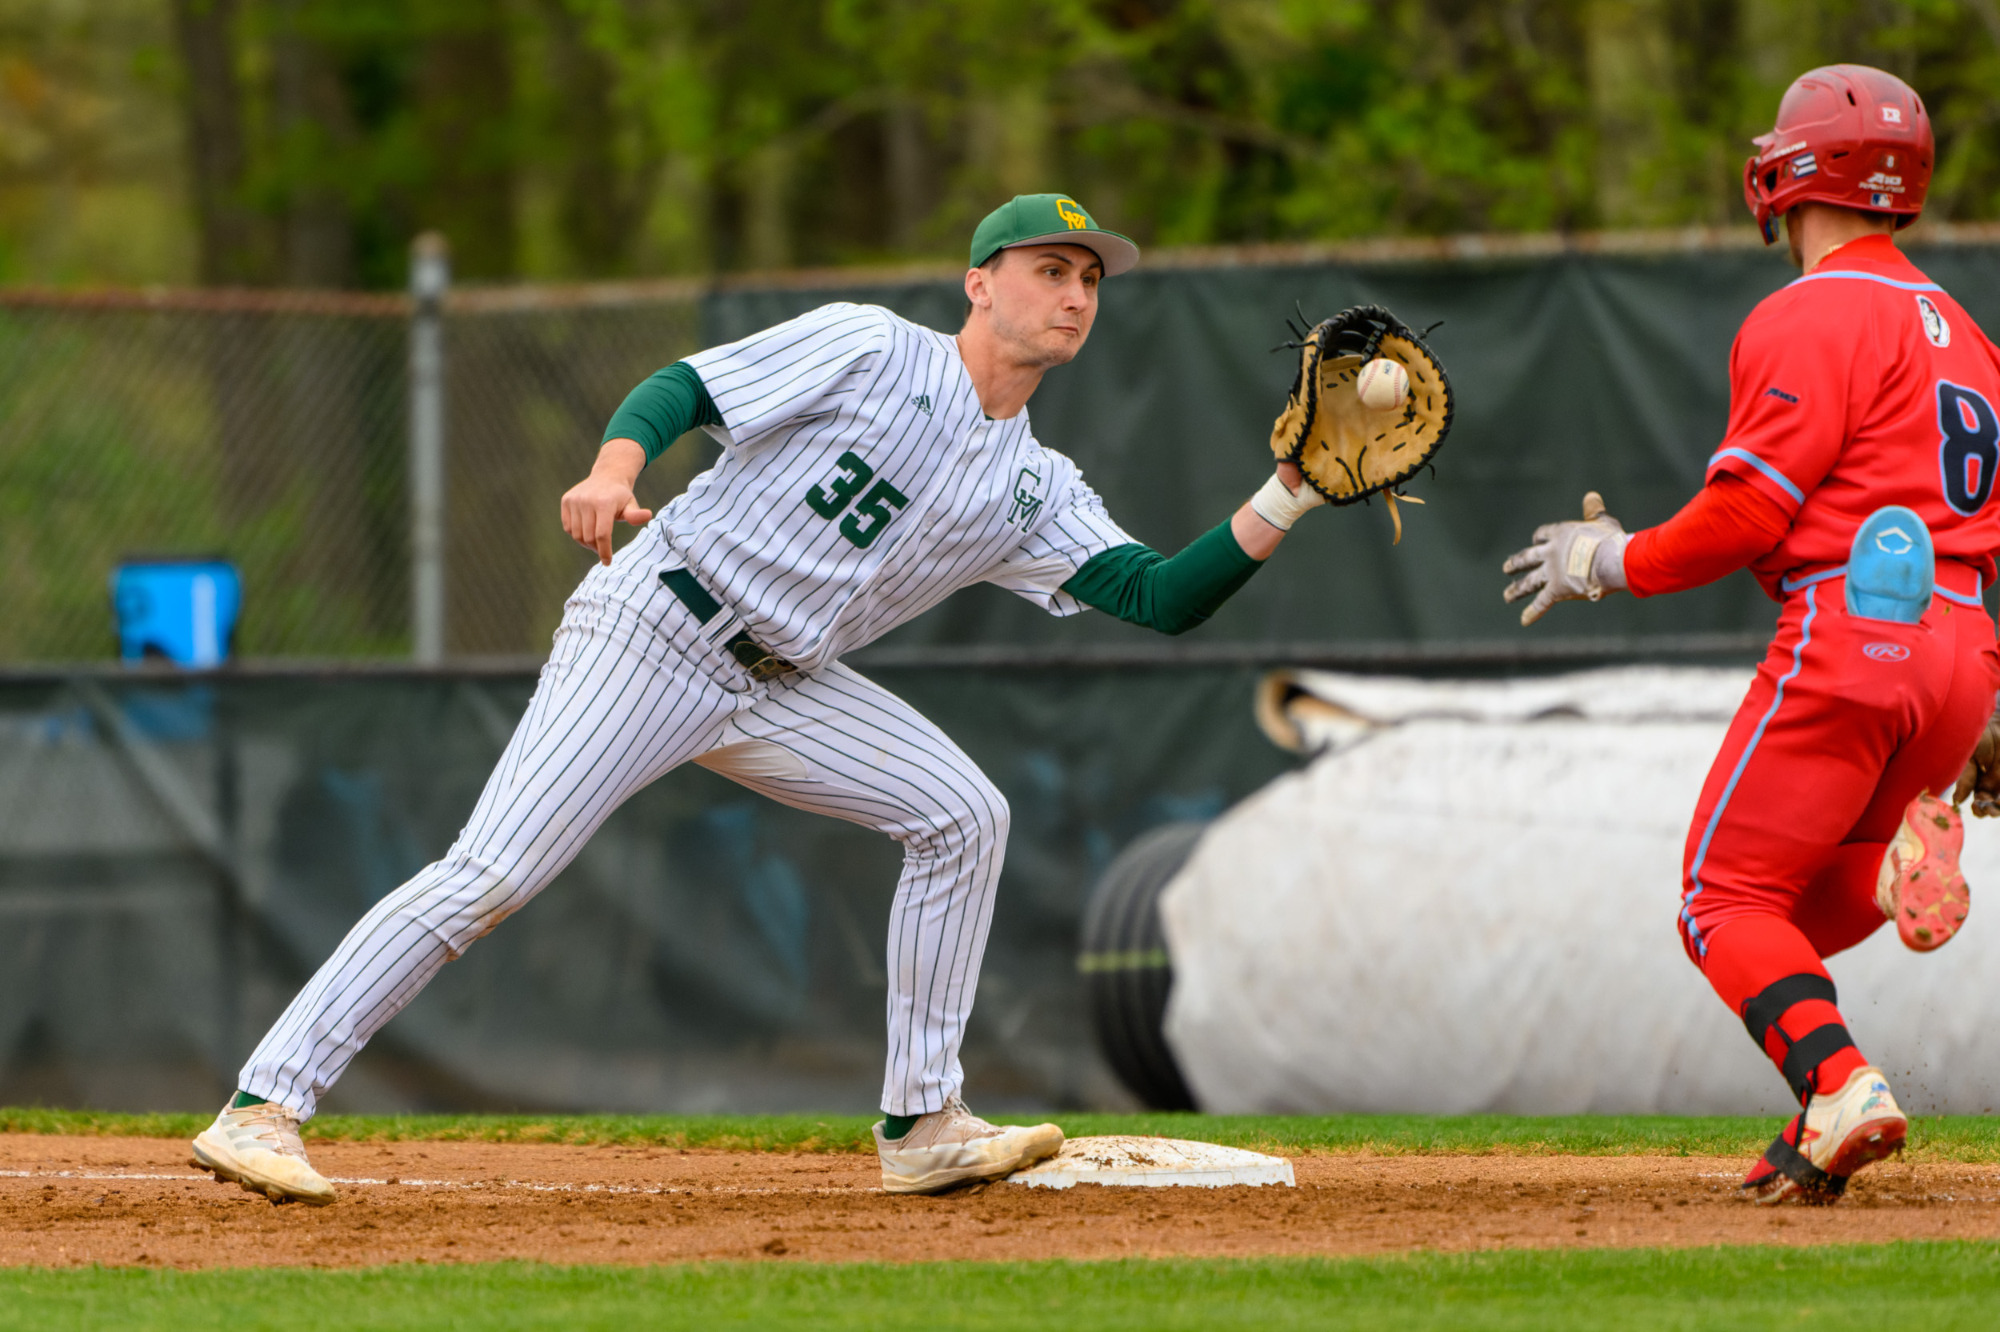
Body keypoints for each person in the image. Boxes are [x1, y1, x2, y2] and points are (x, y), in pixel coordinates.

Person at [189, 194, 1334, 1203]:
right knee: (490, 874)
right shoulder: (869, 348)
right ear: (978, 284)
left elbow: (1157, 595)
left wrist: (1287, 489)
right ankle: (263, 1103)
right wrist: (613, 468)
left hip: (783, 681)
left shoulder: (1034, 485)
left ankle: (920, 1124)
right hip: (656, 624)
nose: (1075, 294)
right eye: (1049, 269)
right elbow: (687, 386)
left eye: (1088, 278)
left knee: (963, 815)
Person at [1502, 66, 2000, 1204]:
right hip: (1963, 644)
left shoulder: (1811, 310)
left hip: (1855, 628)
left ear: (1794, 172)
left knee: (1718, 900)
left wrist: (1606, 560)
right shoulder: (1968, 337)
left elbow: (1748, 514)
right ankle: (1885, 895)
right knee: (1792, 903)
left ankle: (1840, 1084)